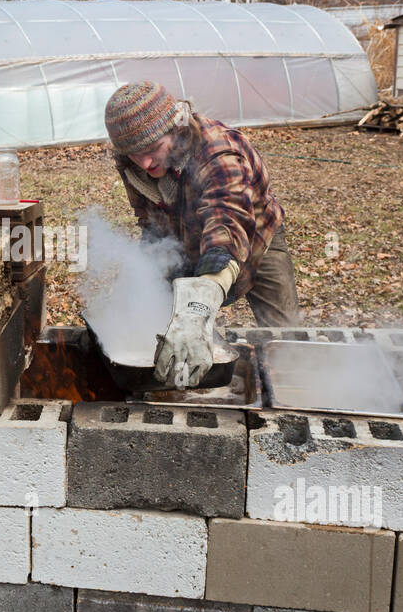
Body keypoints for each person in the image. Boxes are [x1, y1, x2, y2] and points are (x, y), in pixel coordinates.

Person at [104, 80, 300, 387]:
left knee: (283, 335)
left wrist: (199, 304)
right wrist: (140, 284)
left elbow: (227, 221)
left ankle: (290, 382)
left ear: (175, 129)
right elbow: (151, 226)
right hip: (184, 239)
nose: (144, 162)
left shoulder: (218, 150)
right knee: (164, 319)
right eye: (133, 153)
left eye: (153, 149)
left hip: (253, 236)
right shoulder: (135, 163)